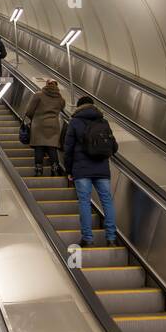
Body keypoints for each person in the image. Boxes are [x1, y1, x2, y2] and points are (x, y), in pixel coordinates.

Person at [62, 95, 118, 246]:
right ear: (93, 106)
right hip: (102, 170)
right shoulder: (103, 121)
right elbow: (114, 147)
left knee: (85, 203)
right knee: (107, 202)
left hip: (81, 170)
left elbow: (68, 149)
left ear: (79, 107)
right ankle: (111, 238)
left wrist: (68, 170)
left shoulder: (74, 122)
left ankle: (88, 238)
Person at [25, 79, 66, 176]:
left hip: (39, 124)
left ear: (47, 84)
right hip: (53, 125)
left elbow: (29, 111)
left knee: (39, 147)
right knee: (52, 148)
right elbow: (61, 108)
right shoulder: (60, 98)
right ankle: (55, 170)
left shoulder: (38, 95)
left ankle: (39, 171)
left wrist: (33, 119)